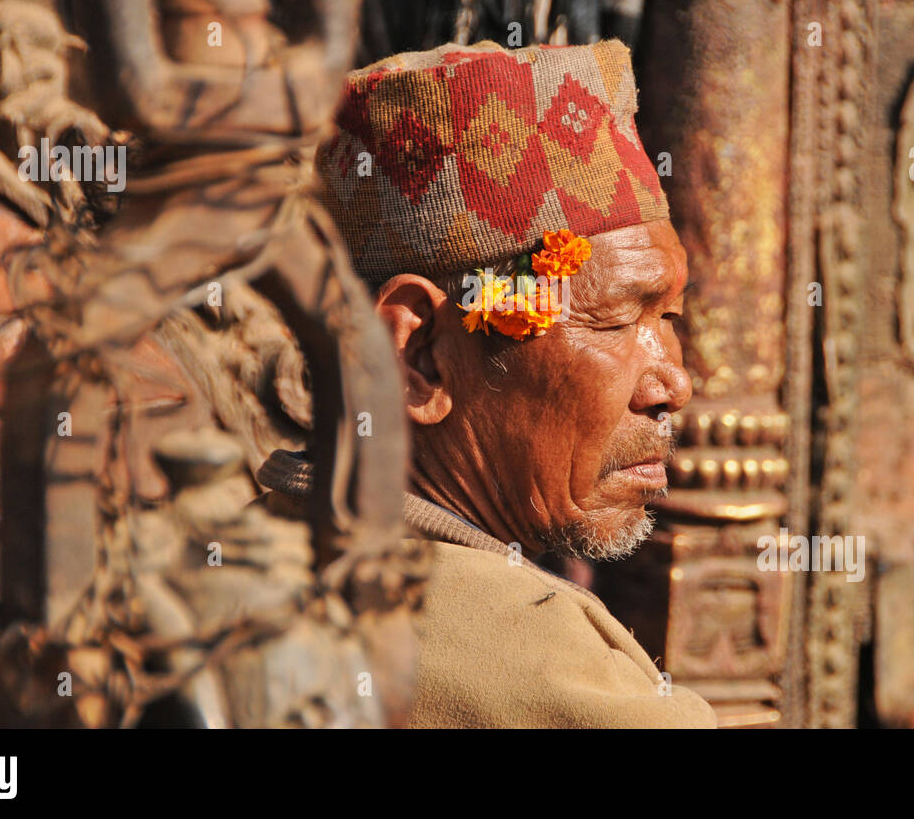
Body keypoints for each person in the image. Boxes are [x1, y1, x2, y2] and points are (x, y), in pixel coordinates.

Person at [261, 39, 716, 728]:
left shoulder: (242, 548)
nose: (673, 383)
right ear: (420, 360)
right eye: (618, 320)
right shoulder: (543, 666)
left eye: (670, 316)